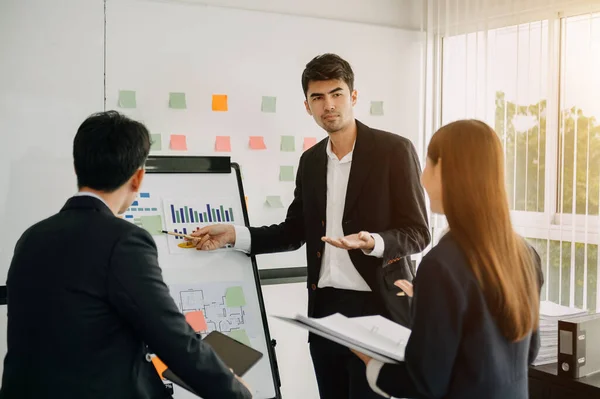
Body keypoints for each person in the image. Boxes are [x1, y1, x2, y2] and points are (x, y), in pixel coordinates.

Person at [190, 53, 430, 398]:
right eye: (318, 98)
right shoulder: (311, 160)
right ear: (307, 106)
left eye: (336, 94)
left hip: (378, 309)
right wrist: (235, 235)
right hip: (325, 311)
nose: (328, 105)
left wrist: (373, 241)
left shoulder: (394, 150)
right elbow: (293, 232)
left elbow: (418, 232)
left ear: (354, 97)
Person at [0, 111, 251, 399]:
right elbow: (171, 338)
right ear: (138, 177)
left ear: (77, 167)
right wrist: (236, 392)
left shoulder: (31, 237)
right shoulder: (124, 240)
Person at [353, 119, 543, 399]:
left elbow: (425, 382)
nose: (421, 178)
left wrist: (372, 363)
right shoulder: (526, 253)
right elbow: (528, 350)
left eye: (427, 164)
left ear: (444, 168)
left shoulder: (441, 266)